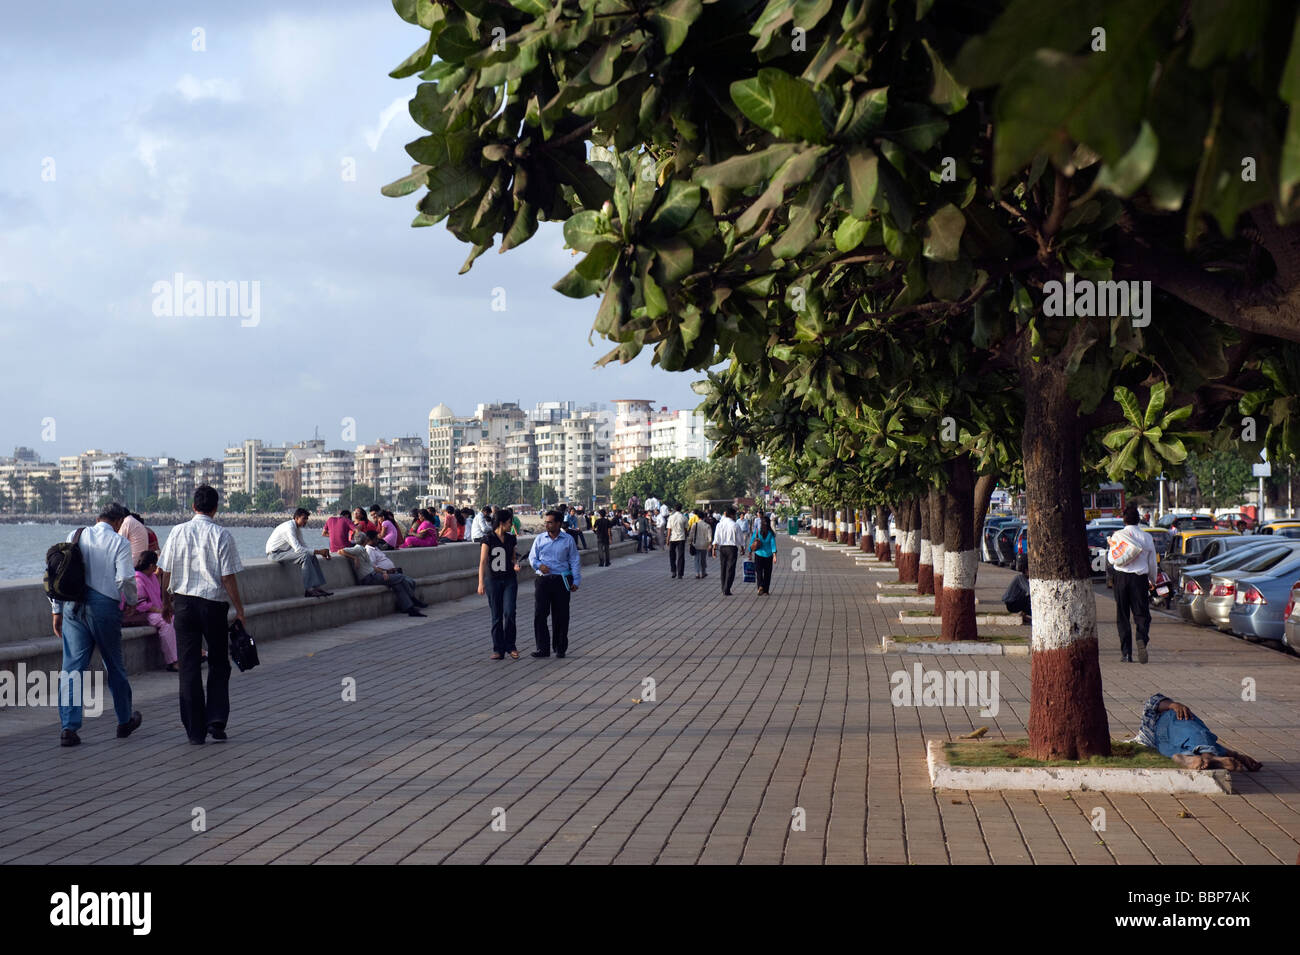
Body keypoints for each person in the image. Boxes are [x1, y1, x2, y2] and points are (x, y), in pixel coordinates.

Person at [48, 502, 143, 747]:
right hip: (104, 607)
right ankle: (124, 721)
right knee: (114, 665)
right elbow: (124, 578)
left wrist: (56, 610)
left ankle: (69, 728)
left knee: (72, 668)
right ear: (119, 522)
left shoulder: (76, 535)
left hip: (73, 605)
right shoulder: (120, 543)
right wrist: (131, 602)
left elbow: (58, 571)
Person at [158, 485, 246, 745]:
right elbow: (228, 576)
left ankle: (195, 731)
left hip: (183, 604)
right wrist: (239, 609)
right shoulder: (222, 534)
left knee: (188, 666)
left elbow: (164, 572)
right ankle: (216, 719)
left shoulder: (177, 531)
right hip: (213, 605)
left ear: (193, 506)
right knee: (219, 661)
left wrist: (165, 602)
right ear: (216, 508)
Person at [1135, 694, 1262, 771]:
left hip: (1165, 733)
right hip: (1161, 737)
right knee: (1189, 731)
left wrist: (1173, 705)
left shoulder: (1163, 716)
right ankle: (1203, 757)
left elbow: (1152, 701)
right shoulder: (1144, 740)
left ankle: (1189, 758)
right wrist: (1238, 757)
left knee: (1186, 731)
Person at [1109, 503, 1159, 663]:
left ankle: (1126, 653)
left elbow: (1112, 558)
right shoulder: (1146, 537)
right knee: (1142, 614)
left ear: (1124, 520)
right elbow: (1152, 563)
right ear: (1139, 520)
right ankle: (1141, 638)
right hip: (1139, 579)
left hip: (1121, 578)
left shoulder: (1117, 535)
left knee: (1122, 616)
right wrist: (1152, 579)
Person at [528, 509, 581, 658]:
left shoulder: (568, 539)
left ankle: (560, 647)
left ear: (558, 523)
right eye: (546, 522)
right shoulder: (539, 539)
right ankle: (542, 648)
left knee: (561, 615)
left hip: (561, 580)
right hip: (543, 580)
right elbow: (532, 558)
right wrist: (539, 566)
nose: (547, 525)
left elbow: (574, 560)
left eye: (550, 522)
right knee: (540, 614)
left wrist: (576, 580)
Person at [340, 531, 428, 617]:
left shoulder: (362, 550)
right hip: (368, 578)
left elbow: (372, 566)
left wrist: (383, 572)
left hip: (374, 575)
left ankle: (409, 608)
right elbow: (340, 551)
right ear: (365, 540)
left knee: (397, 583)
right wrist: (354, 558)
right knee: (400, 577)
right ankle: (412, 599)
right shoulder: (358, 548)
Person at [478, 509, 521, 660]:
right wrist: (481, 582)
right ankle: (498, 649)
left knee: (510, 612)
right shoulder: (488, 538)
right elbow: (483, 561)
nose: (512, 525)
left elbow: (513, 557)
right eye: (510, 522)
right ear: (502, 523)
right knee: (496, 615)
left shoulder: (511, 539)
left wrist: (515, 564)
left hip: (509, 579)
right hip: (493, 580)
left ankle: (511, 645)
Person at [266, 508, 334, 598]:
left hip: (281, 553)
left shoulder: (296, 528)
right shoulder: (289, 528)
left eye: (306, 519)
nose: (305, 521)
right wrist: (319, 551)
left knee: (311, 556)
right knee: (305, 556)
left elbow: (304, 546)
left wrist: (319, 553)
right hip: (274, 554)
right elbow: (298, 549)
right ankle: (309, 590)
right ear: (296, 518)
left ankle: (317, 587)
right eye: (304, 518)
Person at [129, 550, 179, 671]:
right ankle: (173, 661)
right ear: (151, 565)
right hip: (144, 614)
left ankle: (194, 653)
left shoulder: (151, 577)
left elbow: (158, 594)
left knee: (178, 619)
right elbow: (141, 605)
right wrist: (160, 610)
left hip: (154, 611)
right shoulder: (138, 580)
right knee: (167, 621)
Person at [711, 505, 741, 596]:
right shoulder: (735, 525)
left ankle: (723, 586)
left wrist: (714, 549)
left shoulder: (720, 524)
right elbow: (739, 539)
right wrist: (742, 548)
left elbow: (716, 538)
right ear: (732, 515)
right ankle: (727, 588)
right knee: (730, 568)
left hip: (722, 548)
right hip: (732, 548)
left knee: (723, 568)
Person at [749, 513, 778, 595]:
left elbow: (752, 542)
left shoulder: (757, 532)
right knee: (767, 573)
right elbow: (773, 545)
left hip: (758, 555)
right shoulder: (771, 533)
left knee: (759, 572)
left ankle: (760, 586)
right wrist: (774, 556)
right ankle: (766, 590)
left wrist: (750, 552)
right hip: (768, 556)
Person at [1002, 555, 1031, 622]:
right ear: (1026, 570)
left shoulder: (1024, 579)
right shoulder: (1020, 578)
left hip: (1015, 602)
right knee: (1030, 599)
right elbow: (1030, 591)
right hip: (1012, 604)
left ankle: (1024, 615)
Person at [688, 509, 712, 578]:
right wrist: (710, 544)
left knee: (696, 559)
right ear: (704, 517)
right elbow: (709, 536)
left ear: (698, 517)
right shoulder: (707, 525)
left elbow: (691, 534)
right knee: (703, 559)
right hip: (704, 545)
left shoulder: (694, 525)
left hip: (696, 544)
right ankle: (703, 572)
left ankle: (697, 573)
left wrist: (689, 542)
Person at [667, 504, 689, 579]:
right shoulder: (684, 517)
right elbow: (686, 530)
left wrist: (667, 539)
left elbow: (669, 530)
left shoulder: (671, 517)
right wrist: (686, 538)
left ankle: (673, 571)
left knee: (672, 555)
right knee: (681, 556)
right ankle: (680, 573)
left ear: (675, 509)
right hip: (681, 538)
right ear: (681, 509)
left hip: (672, 538)